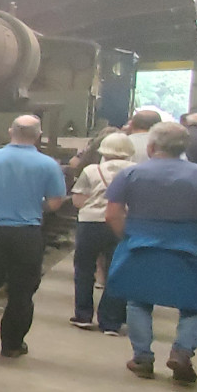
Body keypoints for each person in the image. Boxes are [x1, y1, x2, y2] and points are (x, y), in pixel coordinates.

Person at [105, 121, 197, 384]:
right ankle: (182, 352)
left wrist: (127, 238)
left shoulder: (130, 174)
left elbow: (112, 213)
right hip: (189, 248)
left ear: (150, 147)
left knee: (138, 301)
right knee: (193, 306)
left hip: (140, 244)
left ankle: (142, 358)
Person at [0, 114, 68, 360]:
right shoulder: (48, 165)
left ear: (10, 131)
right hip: (27, 234)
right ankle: (12, 345)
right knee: (22, 290)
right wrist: (35, 205)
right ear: (38, 136)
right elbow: (56, 203)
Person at [69, 132, 134, 332]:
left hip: (90, 223)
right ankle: (111, 321)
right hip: (122, 224)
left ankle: (83, 314)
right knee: (116, 271)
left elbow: (78, 200)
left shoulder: (91, 170)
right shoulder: (136, 171)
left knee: (84, 268)